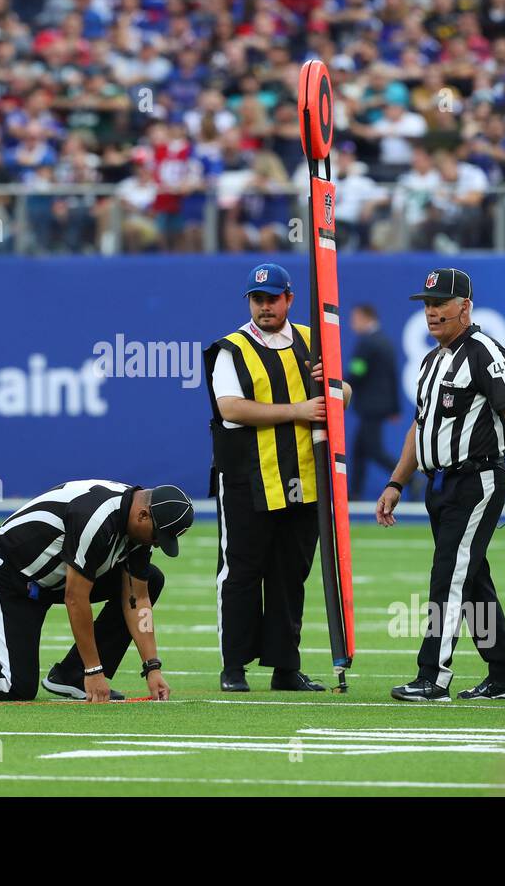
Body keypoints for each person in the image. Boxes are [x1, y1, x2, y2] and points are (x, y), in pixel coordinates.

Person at [377, 267, 505, 702]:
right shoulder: (432, 360)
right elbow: (420, 427)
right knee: (472, 580)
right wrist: (396, 481)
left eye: (441, 304)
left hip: (477, 479)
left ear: (465, 307)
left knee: (449, 575)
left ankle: (433, 676)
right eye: (428, 304)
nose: (431, 313)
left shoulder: (485, 352)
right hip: (440, 484)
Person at [0, 481, 192, 703]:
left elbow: (138, 599)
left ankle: (70, 676)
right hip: (9, 574)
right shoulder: (97, 518)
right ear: (142, 515)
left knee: (150, 579)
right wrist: (95, 671)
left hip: (50, 579)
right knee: (13, 685)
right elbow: (75, 597)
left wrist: (153, 667)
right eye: (157, 537)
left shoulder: (137, 523)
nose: (154, 544)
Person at [202, 263, 351, 692]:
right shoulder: (231, 348)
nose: (264, 307)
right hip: (248, 476)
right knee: (241, 572)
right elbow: (230, 408)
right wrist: (298, 410)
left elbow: (344, 397)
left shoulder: (312, 340)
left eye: (272, 298)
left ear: (289, 298)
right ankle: (234, 666)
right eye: (257, 299)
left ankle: (286, 666)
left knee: (291, 573)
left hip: (305, 474)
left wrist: (333, 385)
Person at [346, 303, 401, 500]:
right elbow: (394, 376)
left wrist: (337, 386)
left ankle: (407, 478)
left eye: (355, 319)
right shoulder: (385, 341)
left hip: (370, 406)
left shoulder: (366, 343)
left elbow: (357, 372)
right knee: (359, 450)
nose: (352, 323)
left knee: (374, 450)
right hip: (381, 406)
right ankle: (354, 494)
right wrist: (395, 407)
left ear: (365, 317)